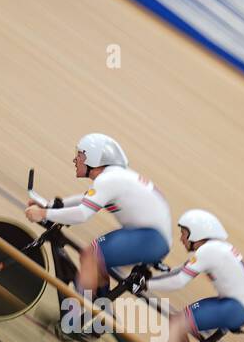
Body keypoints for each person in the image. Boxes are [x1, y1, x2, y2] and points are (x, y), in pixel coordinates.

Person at [26, 134, 172, 329]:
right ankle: (100, 317)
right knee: (97, 261)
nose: (75, 160)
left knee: (91, 255)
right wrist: (51, 206)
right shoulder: (114, 177)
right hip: (151, 237)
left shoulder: (108, 179)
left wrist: (44, 213)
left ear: (93, 159)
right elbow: (86, 199)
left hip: (150, 237)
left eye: (80, 156)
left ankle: (72, 322)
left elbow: (81, 214)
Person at [136, 209, 244, 342]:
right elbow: (179, 271)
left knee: (177, 325)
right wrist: (153, 275)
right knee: (177, 323)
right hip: (235, 306)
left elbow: (179, 281)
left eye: (184, 233)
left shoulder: (208, 251)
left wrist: (146, 284)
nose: (182, 238)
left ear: (197, 233)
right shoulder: (215, 248)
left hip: (232, 307)